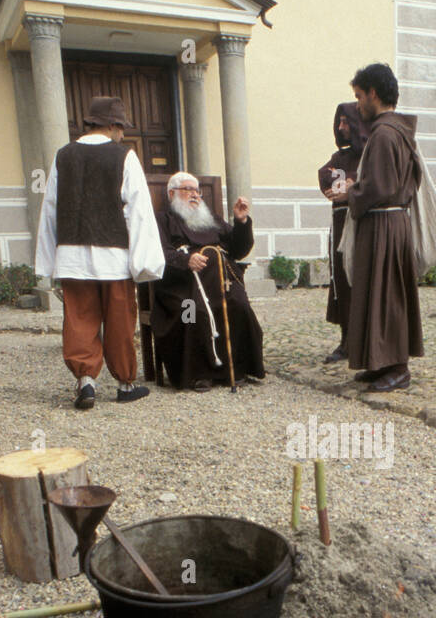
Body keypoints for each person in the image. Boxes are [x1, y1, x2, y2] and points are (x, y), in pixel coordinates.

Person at [35, 95, 164, 409]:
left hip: (71, 254)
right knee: (119, 319)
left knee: (79, 319)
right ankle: (125, 384)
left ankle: (86, 382)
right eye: (122, 128)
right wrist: (144, 263)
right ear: (115, 126)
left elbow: (50, 209)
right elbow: (140, 211)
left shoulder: (63, 156)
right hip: (113, 255)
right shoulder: (123, 157)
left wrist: (49, 259)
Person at [338, 63, 424, 392]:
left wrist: (351, 192)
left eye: (359, 96)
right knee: (377, 293)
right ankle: (380, 361)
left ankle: (398, 367)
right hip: (386, 222)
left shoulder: (386, 134)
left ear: (374, 94)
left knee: (388, 295)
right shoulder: (392, 132)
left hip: (385, 223)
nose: (358, 104)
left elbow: (379, 185)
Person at [150, 173, 265, 389]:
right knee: (192, 313)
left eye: (197, 190)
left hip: (221, 282)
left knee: (239, 306)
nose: (195, 194)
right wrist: (186, 261)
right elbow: (157, 253)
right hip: (183, 286)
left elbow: (238, 250)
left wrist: (241, 222)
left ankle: (235, 369)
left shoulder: (211, 219)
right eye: (188, 189)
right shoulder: (162, 220)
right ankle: (196, 374)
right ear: (172, 193)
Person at [317, 102, 370, 363]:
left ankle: (362, 341)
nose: (341, 127)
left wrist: (350, 183)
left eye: (346, 122)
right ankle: (346, 340)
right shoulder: (341, 158)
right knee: (341, 280)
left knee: (358, 280)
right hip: (340, 226)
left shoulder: (369, 153)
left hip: (360, 226)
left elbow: (364, 179)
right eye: (339, 123)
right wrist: (344, 181)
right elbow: (326, 175)